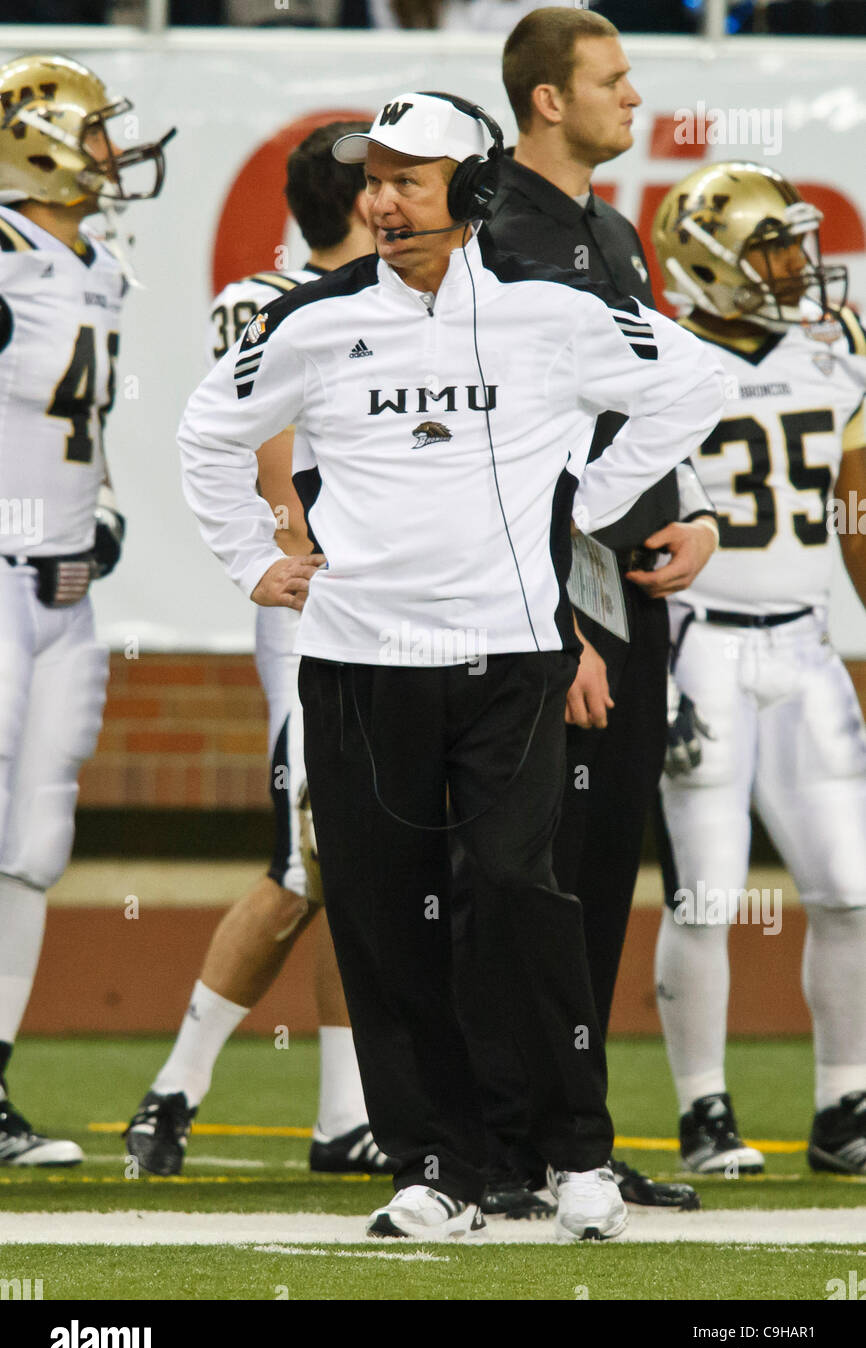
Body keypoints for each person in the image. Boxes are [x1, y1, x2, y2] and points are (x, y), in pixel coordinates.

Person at [178, 89, 724, 1241]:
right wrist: (248, 558)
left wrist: (585, 506)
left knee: (520, 890)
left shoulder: (555, 310)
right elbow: (207, 431)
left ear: (469, 194)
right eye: (371, 180)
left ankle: (578, 1155)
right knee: (381, 915)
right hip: (356, 665)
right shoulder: (313, 321)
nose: (380, 201)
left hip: (511, 659)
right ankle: (436, 1168)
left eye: (406, 181)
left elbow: (690, 384)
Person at [460, 4, 714, 1215]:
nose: (634, 95)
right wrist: (549, 622)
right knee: (529, 876)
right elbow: (497, 450)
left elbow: (648, 397)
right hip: (549, 605)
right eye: (612, 80)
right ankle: (506, 1145)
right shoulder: (496, 235)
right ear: (546, 99)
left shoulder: (611, 231)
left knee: (605, 865)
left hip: (635, 596)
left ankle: (579, 1139)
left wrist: (698, 508)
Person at [124, 123, 391, 1178]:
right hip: (311, 614)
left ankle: (343, 1115)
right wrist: (292, 526)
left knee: (358, 871)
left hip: (381, 616)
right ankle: (173, 1089)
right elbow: (264, 448)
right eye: (382, 180)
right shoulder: (271, 299)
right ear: (357, 199)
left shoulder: (391, 298)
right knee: (300, 863)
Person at [651, 161, 866, 1175]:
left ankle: (841, 1103)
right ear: (705, 261)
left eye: (790, 244)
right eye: (768, 247)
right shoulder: (657, 360)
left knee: (849, 889)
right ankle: (702, 1109)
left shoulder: (835, 351)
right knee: (705, 894)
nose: (793, 265)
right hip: (703, 647)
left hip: (806, 643)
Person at [0, 53, 174, 1165]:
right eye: (97, 132)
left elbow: (79, 425)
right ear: (41, 142)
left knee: (35, 843)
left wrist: (96, 509)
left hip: (61, 590)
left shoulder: (92, 261)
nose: (115, 153)